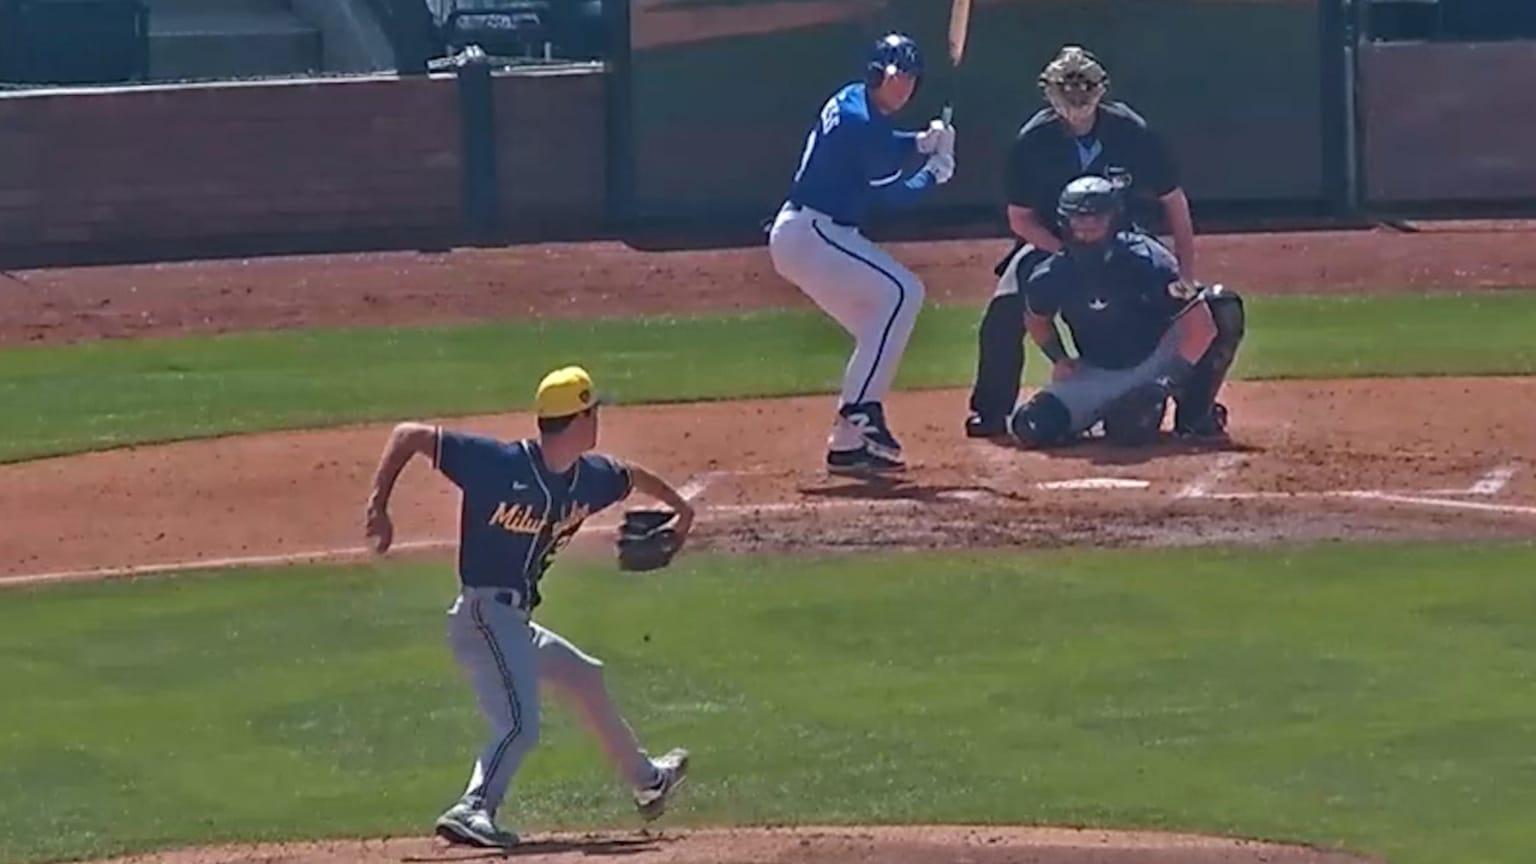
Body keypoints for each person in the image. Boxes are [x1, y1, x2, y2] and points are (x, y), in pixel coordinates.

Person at [363, 365, 694, 849]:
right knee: (519, 724)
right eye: (592, 410)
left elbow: (632, 476)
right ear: (578, 419)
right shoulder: (498, 464)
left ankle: (648, 781)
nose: (597, 418)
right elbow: (409, 435)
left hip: (514, 621)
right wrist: (379, 505)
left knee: (585, 675)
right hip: (483, 616)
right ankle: (473, 808)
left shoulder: (590, 477)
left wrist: (683, 510)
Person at [966, 44, 1223, 438]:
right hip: (1051, 241)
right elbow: (1020, 219)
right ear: (1048, 91)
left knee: (1181, 307)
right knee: (1005, 309)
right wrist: (1068, 255)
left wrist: (1185, 272)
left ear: (1100, 88)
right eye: (1066, 86)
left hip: (1123, 240)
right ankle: (991, 410)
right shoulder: (1032, 142)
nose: (1075, 94)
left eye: (1083, 85)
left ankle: (1190, 403)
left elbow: (1174, 201)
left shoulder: (1130, 131)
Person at [768, 32, 957, 476]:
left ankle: (848, 445)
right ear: (875, 73)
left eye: (911, 78)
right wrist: (935, 172)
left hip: (809, 236)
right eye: (896, 76)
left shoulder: (854, 101)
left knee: (879, 324)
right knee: (904, 292)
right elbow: (891, 198)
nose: (904, 86)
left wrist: (919, 143)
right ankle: (861, 411)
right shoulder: (861, 122)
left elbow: (883, 144)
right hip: (812, 233)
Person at [1007, 176, 1245, 449]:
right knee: (1031, 425)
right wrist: (1059, 357)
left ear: (1114, 218)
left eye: (1097, 217)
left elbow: (1201, 327)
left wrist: (1164, 382)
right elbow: (1037, 319)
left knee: (1222, 307)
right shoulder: (1051, 274)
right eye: (1079, 218)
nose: (1087, 226)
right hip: (1100, 372)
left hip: (1159, 355)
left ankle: (1196, 413)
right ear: (1065, 222)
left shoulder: (1149, 261)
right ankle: (1107, 413)